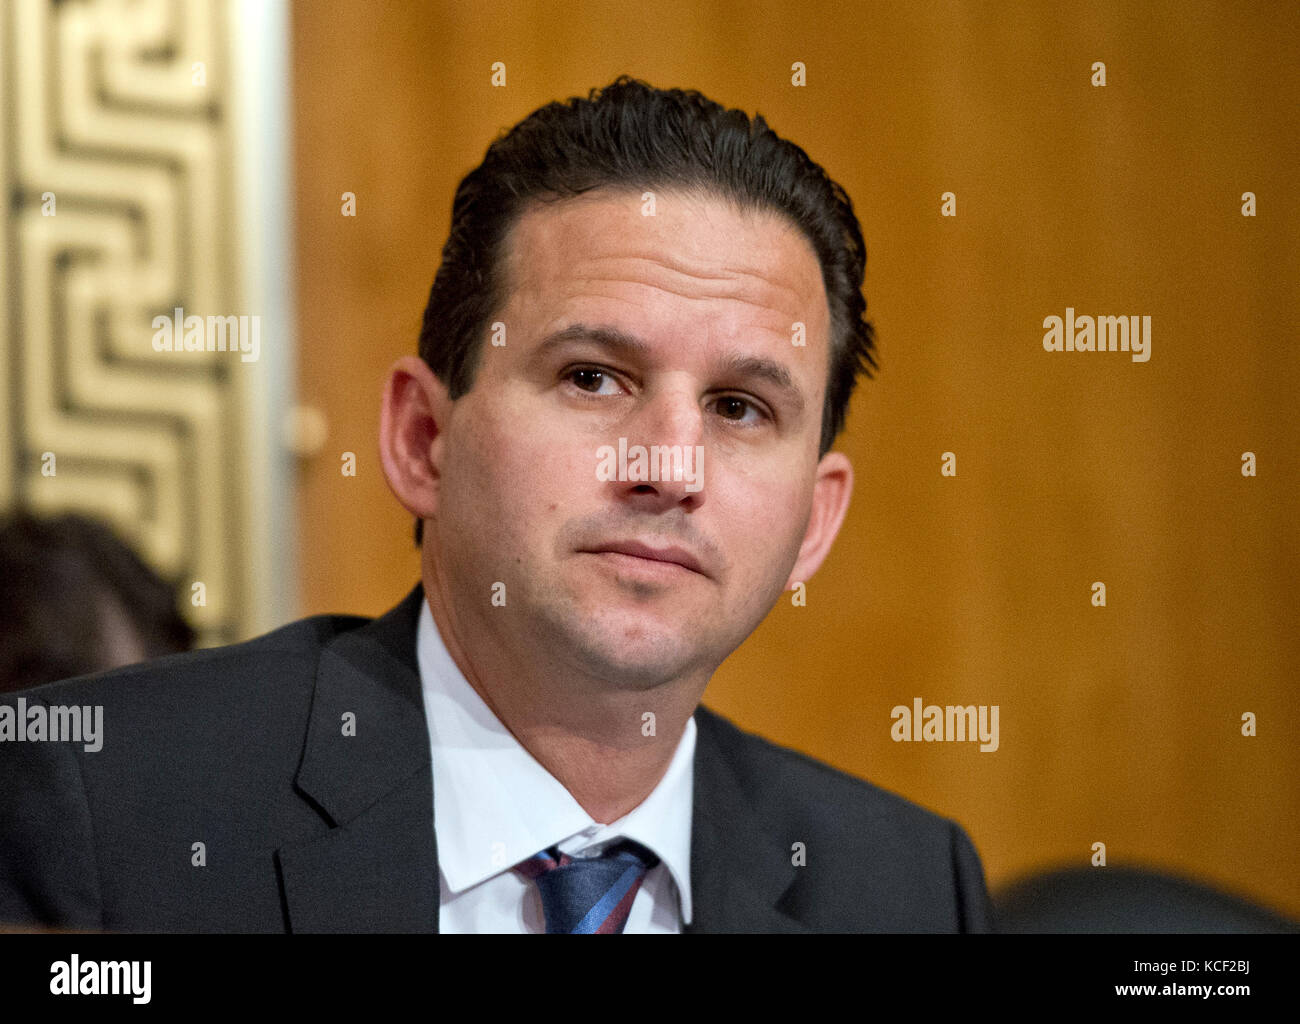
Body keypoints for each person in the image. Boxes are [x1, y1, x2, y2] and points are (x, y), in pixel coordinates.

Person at [0, 76, 992, 933]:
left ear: (814, 522)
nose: (669, 466)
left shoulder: (901, 889)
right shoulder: (102, 801)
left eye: (739, 407)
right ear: (422, 440)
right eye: (594, 378)